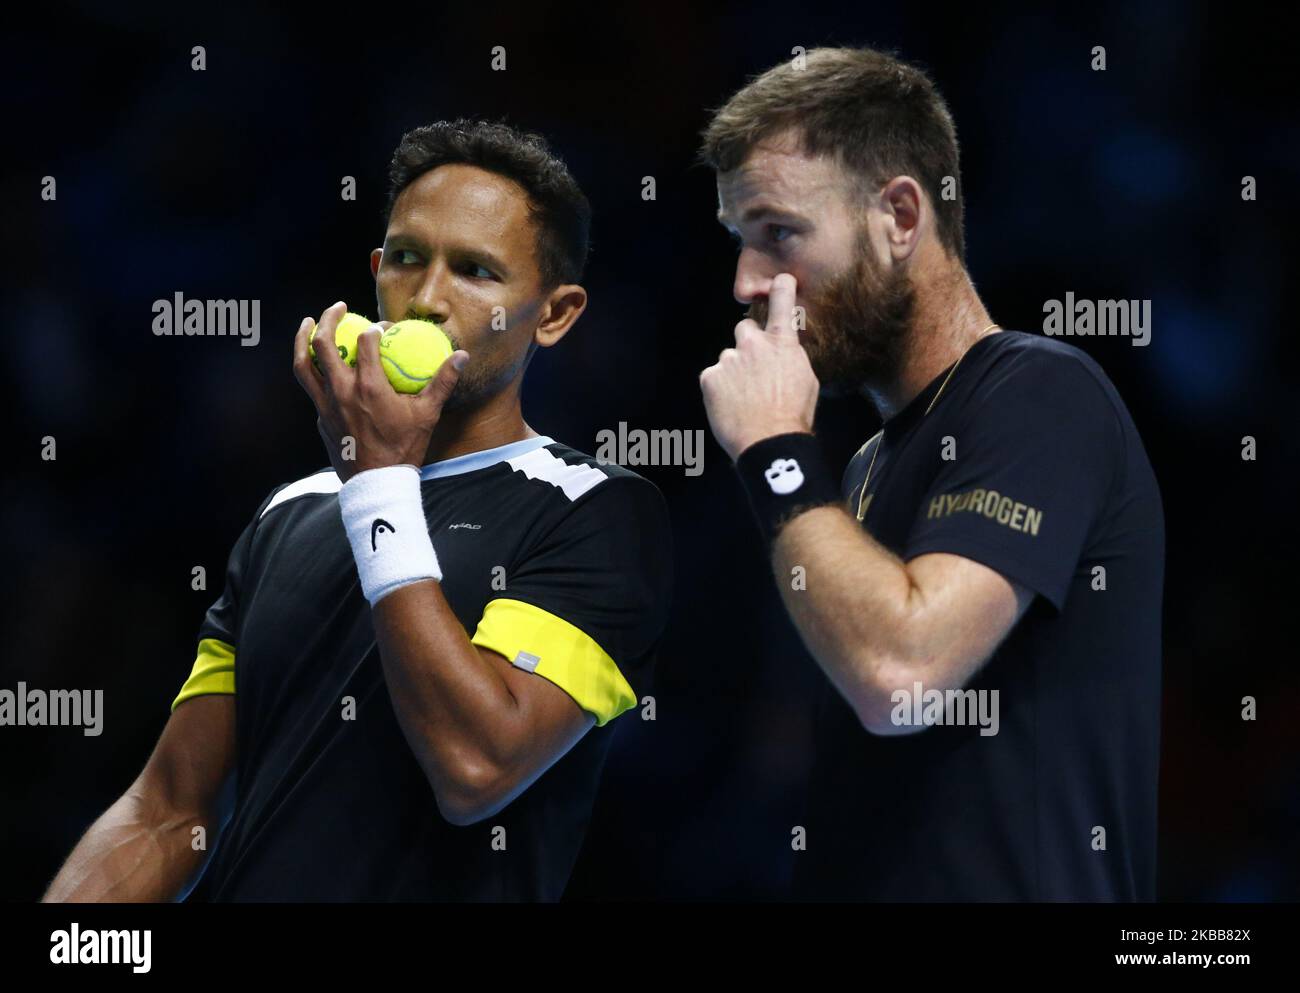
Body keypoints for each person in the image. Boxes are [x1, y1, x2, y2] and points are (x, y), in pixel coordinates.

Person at [44, 120, 673, 902]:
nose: (430, 299)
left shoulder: (598, 510)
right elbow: (170, 810)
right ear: (377, 272)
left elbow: (477, 767)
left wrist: (377, 480)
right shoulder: (290, 511)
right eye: (408, 258)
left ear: (554, 313)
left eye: (476, 271)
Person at [698, 47, 1164, 900]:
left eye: (778, 233)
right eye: (739, 241)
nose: (746, 282)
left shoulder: (1042, 391)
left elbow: (901, 676)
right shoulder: (869, 463)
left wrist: (771, 451)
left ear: (901, 216)